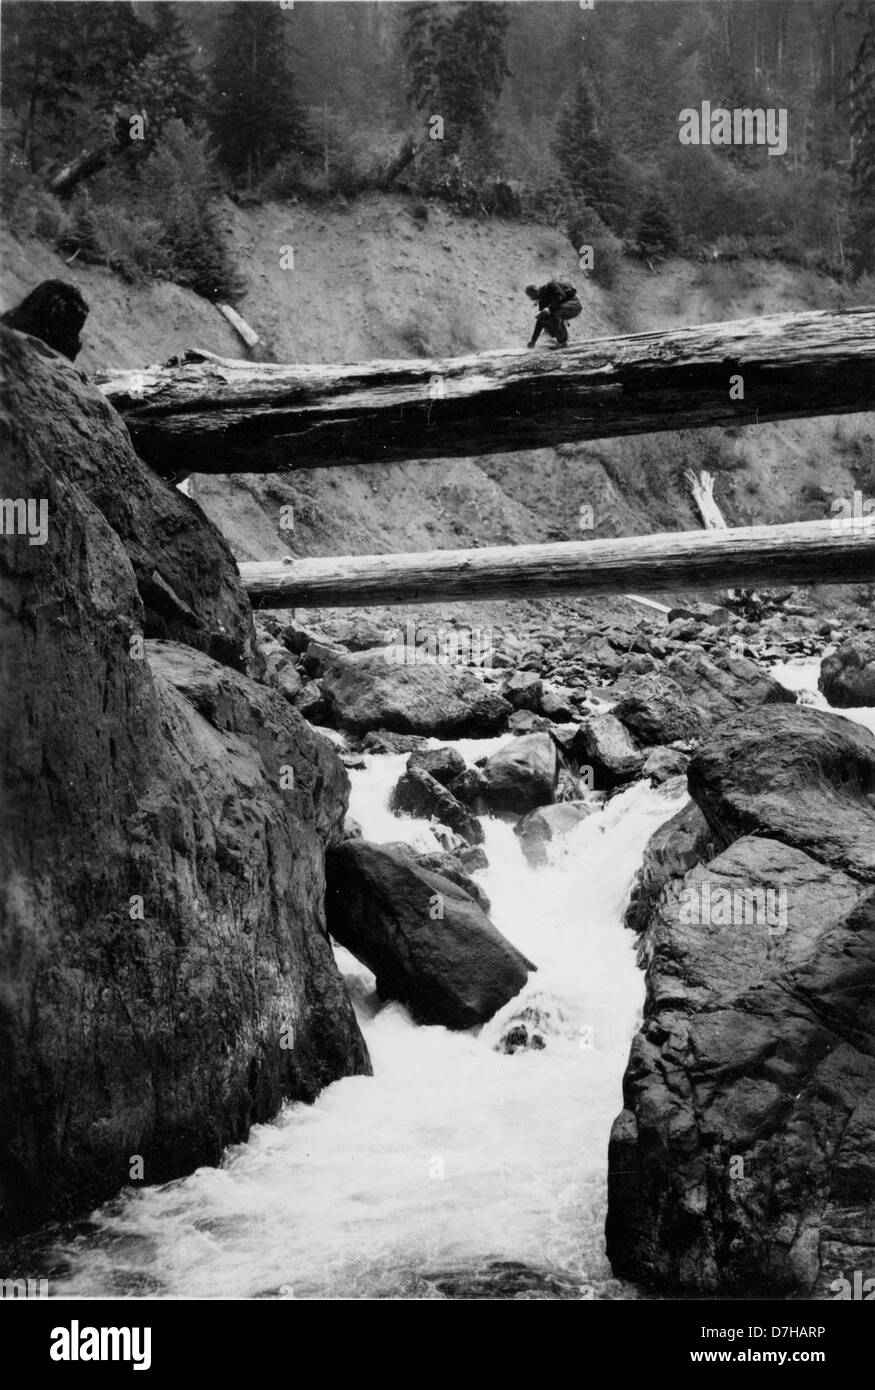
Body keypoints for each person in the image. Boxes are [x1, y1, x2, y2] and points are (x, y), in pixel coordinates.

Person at [525, 280, 582, 349]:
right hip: (563, 309)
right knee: (545, 318)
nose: (534, 299)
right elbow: (540, 321)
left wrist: (549, 308)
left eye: (533, 297)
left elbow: (561, 297)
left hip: (574, 304)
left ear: (536, 291)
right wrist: (533, 340)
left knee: (552, 314)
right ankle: (562, 340)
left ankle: (562, 342)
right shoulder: (542, 302)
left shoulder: (551, 286)